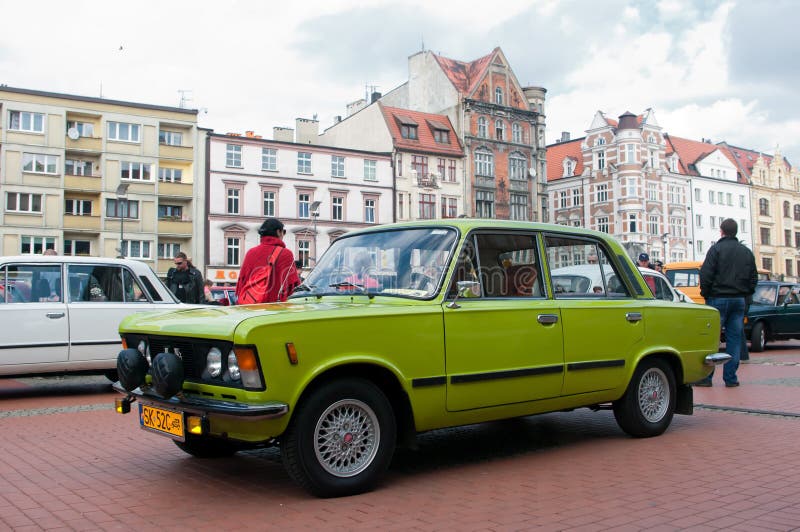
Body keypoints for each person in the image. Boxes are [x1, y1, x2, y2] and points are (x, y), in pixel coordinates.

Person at [696, 218, 757, 387]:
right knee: (734, 339)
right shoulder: (746, 252)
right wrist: (745, 293)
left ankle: (707, 377)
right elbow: (753, 278)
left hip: (717, 298)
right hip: (738, 299)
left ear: (721, 231)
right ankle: (730, 378)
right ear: (736, 232)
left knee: (712, 339)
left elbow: (706, 274)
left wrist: (706, 294)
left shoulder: (715, 250)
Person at [236, 218, 300, 303]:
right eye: (283, 232)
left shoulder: (251, 253)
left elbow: (242, 283)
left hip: (252, 307)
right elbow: (291, 286)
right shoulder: (285, 254)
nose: (283, 235)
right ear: (278, 232)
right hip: (275, 308)